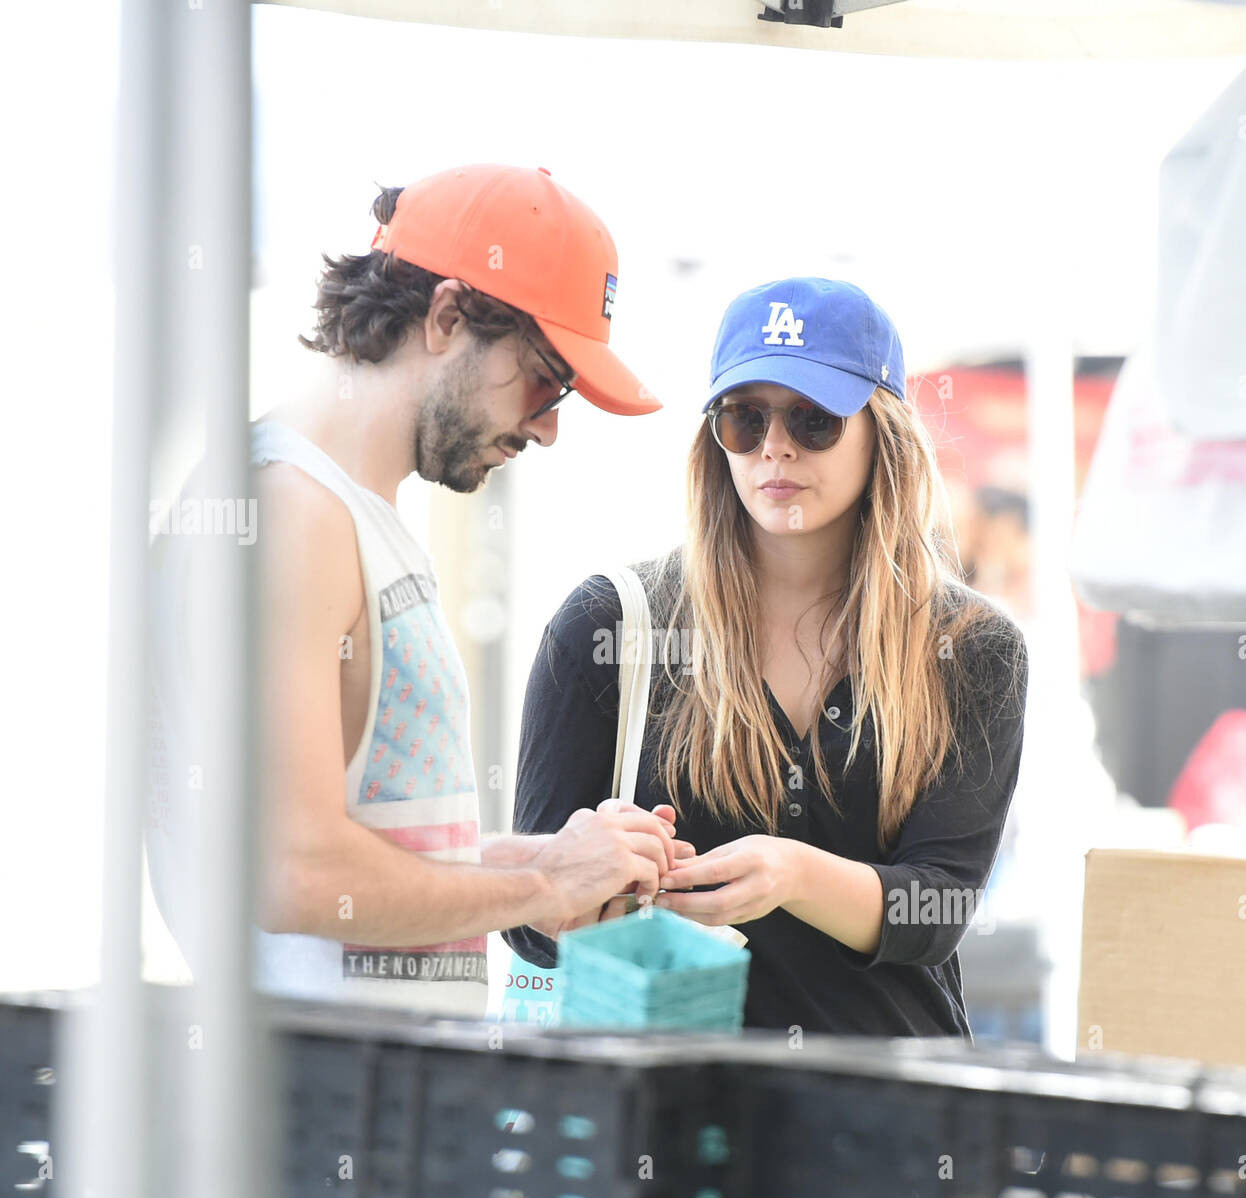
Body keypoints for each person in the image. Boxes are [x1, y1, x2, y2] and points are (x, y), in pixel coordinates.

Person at [145, 165, 688, 1014]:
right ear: (445, 317)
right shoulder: (289, 511)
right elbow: (295, 876)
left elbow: (370, 850)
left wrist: (552, 863)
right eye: (548, 379)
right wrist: (544, 890)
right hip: (310, 1102)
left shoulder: (339, 506)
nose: (548, 428)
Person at [503, 277, 1029, 1039]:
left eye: (813, 420)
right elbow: (527, 922)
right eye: (743, 419)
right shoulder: (608, 624)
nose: (773, 447)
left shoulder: (970, 648)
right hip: (661, 1111)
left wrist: (791, 875)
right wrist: (604, 879)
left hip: (884, 1112)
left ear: (881, 431)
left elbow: (937, 909)